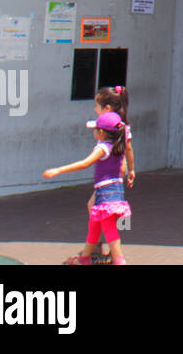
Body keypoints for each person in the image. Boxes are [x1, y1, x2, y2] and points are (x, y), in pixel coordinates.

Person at [44, 111, 132, 265]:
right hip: (114, 190)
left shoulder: (103, 148)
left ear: (102, 133)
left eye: (96, 129)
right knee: (94, 224)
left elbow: (85, 163)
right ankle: (85, 258)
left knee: (109, 227)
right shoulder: (119, 147)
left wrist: (58, 170)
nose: (94, 132)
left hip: (106, 193)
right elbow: (123, 169)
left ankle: (119, 260)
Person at [90, 86, 134, 262]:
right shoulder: (119, 126)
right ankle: (99, 247)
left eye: (97, 106)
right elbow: (129, 149)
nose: (95, 110)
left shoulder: (114, 127)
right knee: (97, 208)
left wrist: (130, 169)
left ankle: (101, 249)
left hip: (110, 177)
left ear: (107, 108)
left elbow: (128, 149)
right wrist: (131, 170)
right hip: (115, 174)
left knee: (98, 208)